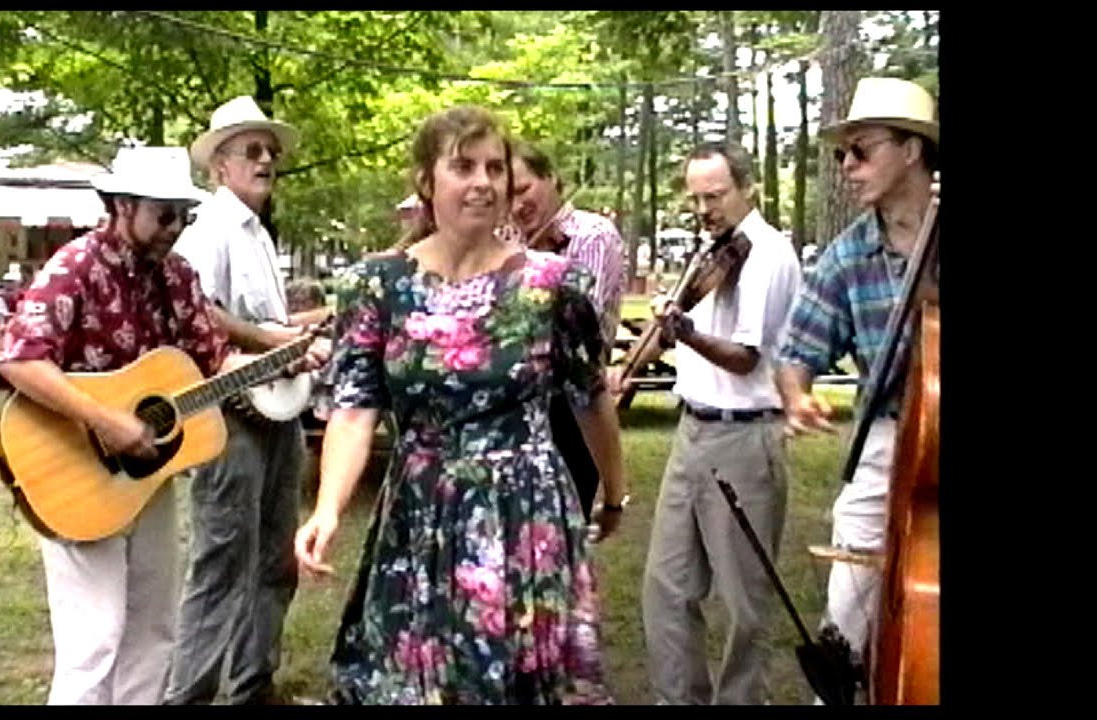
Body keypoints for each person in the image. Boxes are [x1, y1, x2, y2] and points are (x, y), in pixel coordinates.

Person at [293, 105, 628, 705]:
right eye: (463, 166)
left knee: (519, 681)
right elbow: (353, 407)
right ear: (426, 180)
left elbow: (590, 396)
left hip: (525, 513)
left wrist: (612, 492)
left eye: (495, 168)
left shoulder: (552, 285)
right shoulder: (378, 284)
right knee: (412, 679)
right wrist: (327, 509)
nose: (483, 182)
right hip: (419, 513)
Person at [0, 146, 244, 705]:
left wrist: (283, 359)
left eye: (183, 215)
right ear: (122, 205)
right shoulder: (74, 267)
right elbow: (18, 358)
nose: (173, 228)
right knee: (94, 644)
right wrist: (105, 421)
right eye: (163, 213)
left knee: (153, 633)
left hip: (145, 480)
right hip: (72, 472)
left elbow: (211, 360)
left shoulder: (178, 277)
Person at [616, 141, 802, 704]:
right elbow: (677, 331)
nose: (704, 209)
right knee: (666, 588)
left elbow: (746, 357)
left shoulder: (768, 255)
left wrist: (686, 332)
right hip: (692, 431)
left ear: (748, 188)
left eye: (715, 196)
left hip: (745, 436)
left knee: (747, 603)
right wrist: (627, 367)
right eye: (696, 199)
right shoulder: (709, 250)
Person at [163, 95, 331, 706]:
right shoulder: (208, 230)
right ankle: (189, 696)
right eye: (252, 151)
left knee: (274, 559)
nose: (266, 160)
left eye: (271, 151)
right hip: (226, 418)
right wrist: (271, 339)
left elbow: (266, 321)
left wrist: (300, 331)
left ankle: (250, 687)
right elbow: (197, 312)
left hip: (275, 414)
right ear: (219, 168)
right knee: (221, 564)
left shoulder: (257, 232)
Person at [774, 77, 940, 693]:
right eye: (843, 154)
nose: (847, 165)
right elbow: (796, 352)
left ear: (912, 151)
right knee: (849, 594)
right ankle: (844, 679)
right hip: (892, 434)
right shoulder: (847, 256)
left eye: (862, 150)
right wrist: (797, 396)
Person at [509, 140, 625, 520]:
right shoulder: (511, 243)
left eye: (524, 189)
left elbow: (576, 321)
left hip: (571, 405)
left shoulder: (591, 234)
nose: (517, 205)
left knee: (560, 530)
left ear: (552, 177)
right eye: (507, 196)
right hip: (521, 405)